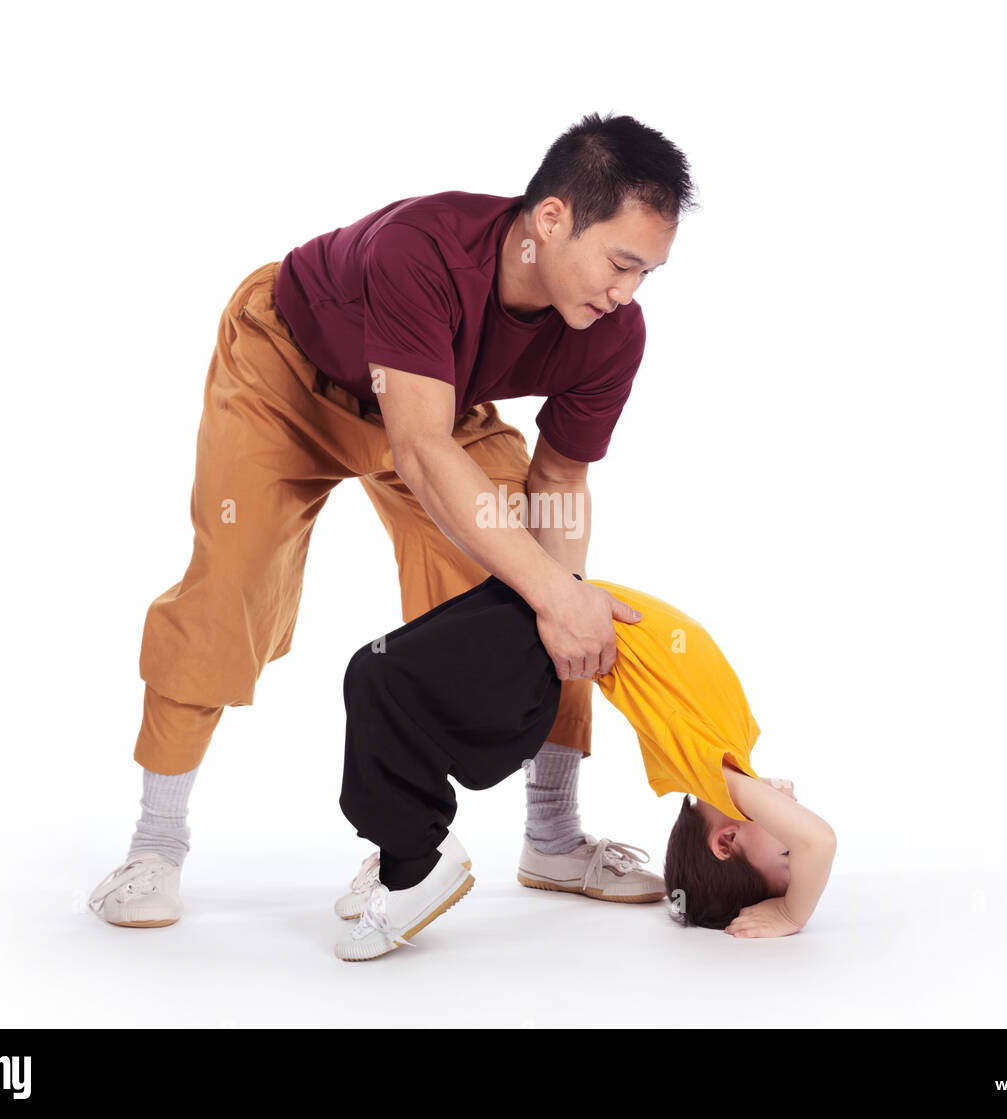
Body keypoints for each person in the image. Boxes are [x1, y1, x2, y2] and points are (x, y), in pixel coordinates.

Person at [88, 112, 696, 928]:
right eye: (621, 262)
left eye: (647, 274)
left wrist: (557, 596)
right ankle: (153, 845)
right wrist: (551, 589)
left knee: (535, 591)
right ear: (552, 218)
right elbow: (416, 449)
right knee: (232, 578)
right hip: (292, 374)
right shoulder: (425, 250)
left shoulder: (613, 332)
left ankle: (553, 835)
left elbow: (559, 477)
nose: (627, 291)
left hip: (438, 399)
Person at [333, 574, 837, 960]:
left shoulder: (711, 773)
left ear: (725, 841)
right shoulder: (723, 754)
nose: (794, 829)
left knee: (380, 676)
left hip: (545, 621)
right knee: (380, 674)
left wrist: (793, 912)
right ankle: (403, 850)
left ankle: (414, 860)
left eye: (785, 849)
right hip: (554, 604)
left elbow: (821, 840)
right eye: (791, 852)